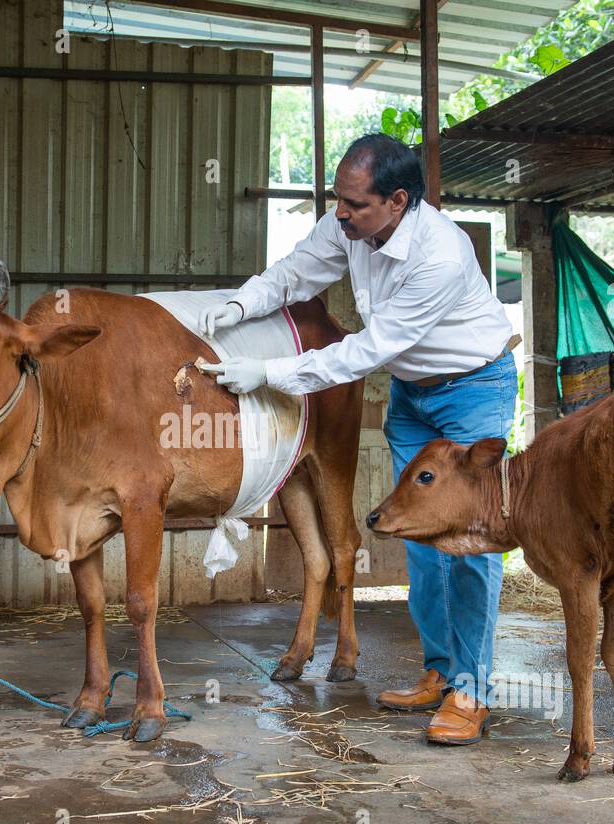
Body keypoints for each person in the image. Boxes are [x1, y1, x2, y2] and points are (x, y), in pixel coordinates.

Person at [200, 133, 518, 745]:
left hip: (473, 389)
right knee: (419, 538)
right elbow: (297, 273)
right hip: (414, 393)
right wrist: (242, 305)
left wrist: (268, 373)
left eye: (354, 203)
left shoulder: (441, 257)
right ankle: (440, 671)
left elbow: (367, 351)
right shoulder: (349, 225)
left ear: (398, 200)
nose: (339, 213)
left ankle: (471, 693)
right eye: (337, 200)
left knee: (473, 542)